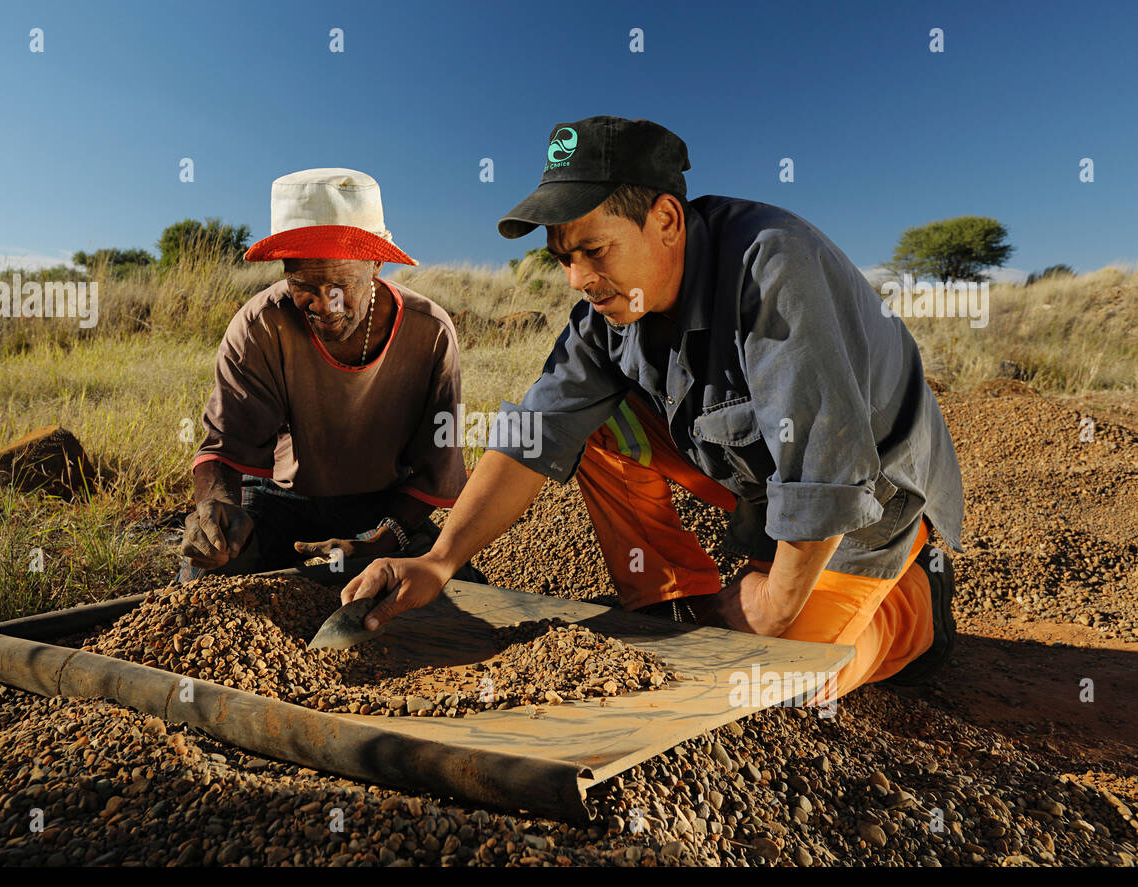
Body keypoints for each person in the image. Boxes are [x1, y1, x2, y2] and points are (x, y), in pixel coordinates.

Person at [342, 116, 965, 696]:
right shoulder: (605, 315)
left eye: (594, 250)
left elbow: (827, 469)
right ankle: (673, 604)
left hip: (872, 497)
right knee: (593, 424)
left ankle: (912, 612)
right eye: (563, 258)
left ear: (666, 219)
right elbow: (532, 437)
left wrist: (770, 609)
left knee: (772, 687)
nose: (577, 280)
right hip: (760, 474)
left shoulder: (774, 267)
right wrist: (439, 561)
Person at [179, 168, 470, 582]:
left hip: (384, 507)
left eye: (340, 283)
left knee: (448, 592)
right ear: (284, 269)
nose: (324, 304)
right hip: (279, 502)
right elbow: (226, 447)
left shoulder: (430, 332)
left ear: (376, 264)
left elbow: (433, 470)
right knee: (208, 580)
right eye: (302, 284)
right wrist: (218, 506)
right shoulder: (261, 326)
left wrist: (374, 544)